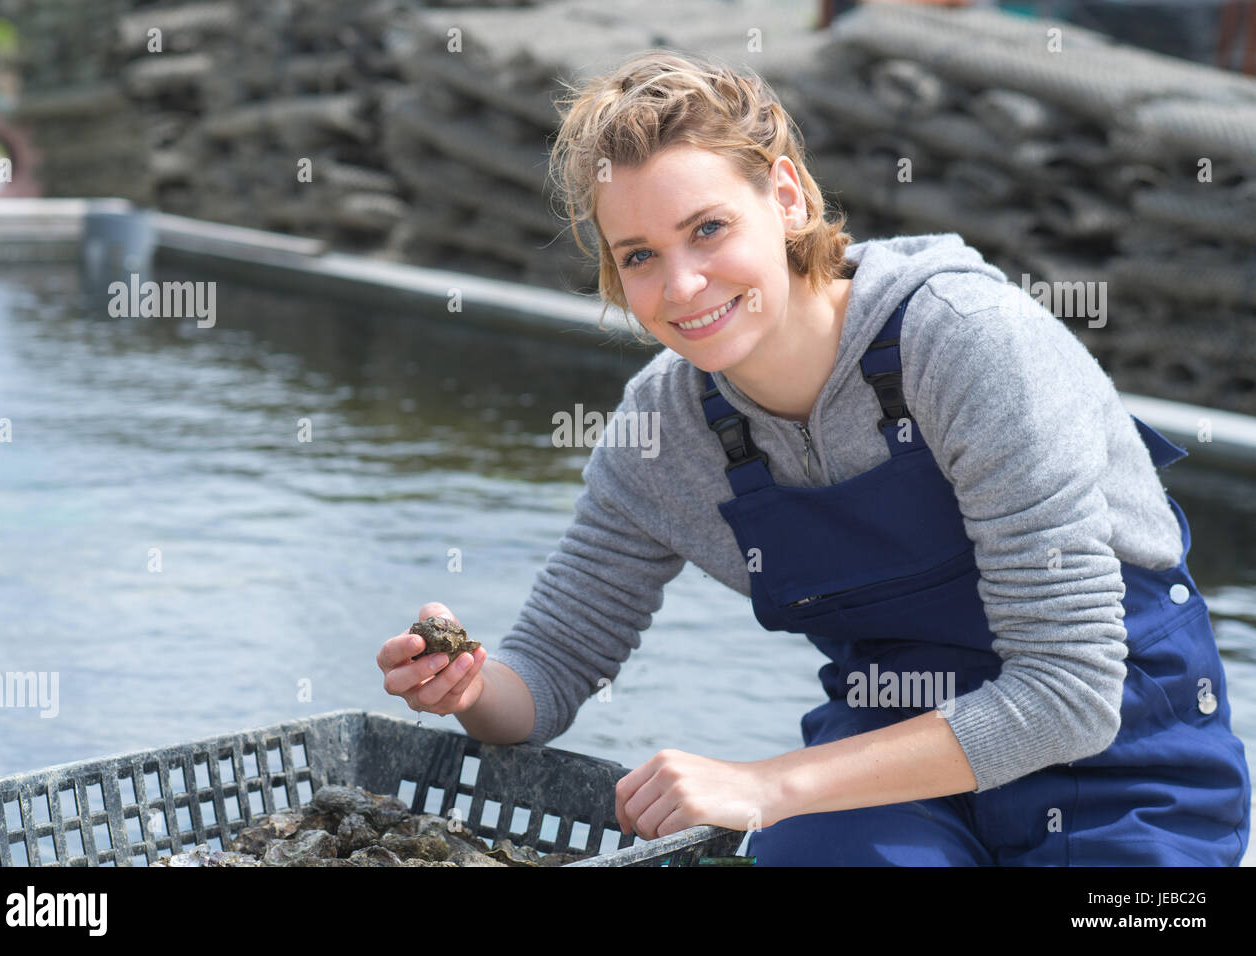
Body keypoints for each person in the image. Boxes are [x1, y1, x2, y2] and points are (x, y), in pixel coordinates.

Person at [374, 50, 1251, 865]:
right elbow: (551, 671)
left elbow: (1068, 695)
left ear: (786, 197)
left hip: (1123, 768)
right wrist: (470, 686)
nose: (681, 286)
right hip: (891, 779)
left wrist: (764, 785)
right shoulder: (664, 428)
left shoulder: (969, 345)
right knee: (808, 852)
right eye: (640, 256)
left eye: (709, 229)